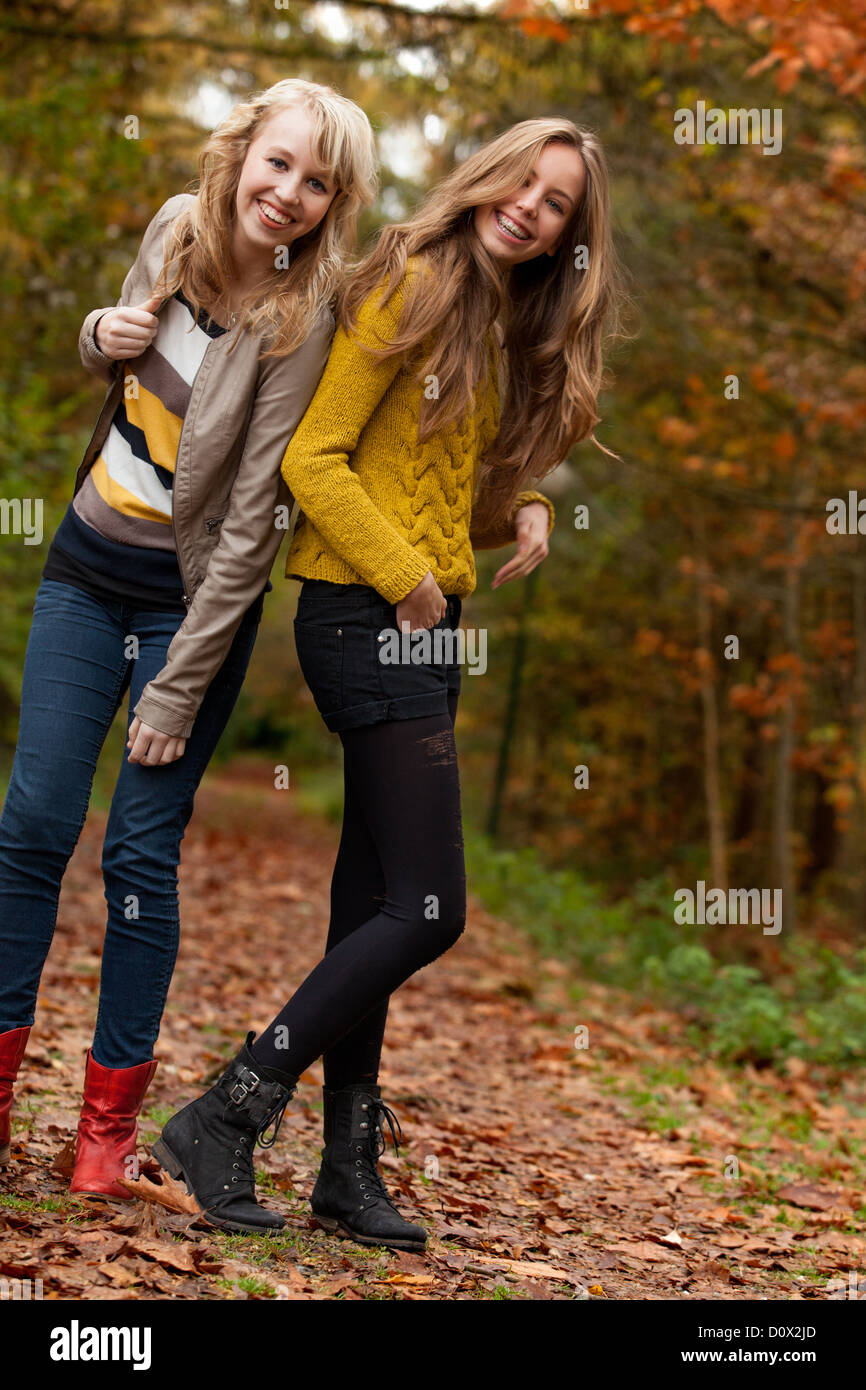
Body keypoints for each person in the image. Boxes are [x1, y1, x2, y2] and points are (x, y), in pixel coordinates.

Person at [153, 115, 621, 1250]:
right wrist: (410, 579)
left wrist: (520, 504)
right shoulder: (411, 277)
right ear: (487, 178)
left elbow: (420, 486)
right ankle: (225, 1110)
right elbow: (313, 459)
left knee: (373, 902)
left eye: (556, 202)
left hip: (418, 618)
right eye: (521, 180)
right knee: (429, 907)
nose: (529, 205)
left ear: (569, 234)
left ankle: (345, 1171)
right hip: (368, 618)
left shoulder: (491, 311)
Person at [0, 78, 377, 1200]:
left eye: (318, 183)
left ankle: (106, 1133)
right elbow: (123, 361)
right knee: (32, 826)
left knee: (136, 859)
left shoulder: (300, 320)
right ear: (241, 150)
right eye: (279, 163)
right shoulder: (173, 225)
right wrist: (94, 332)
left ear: (331, 203)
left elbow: (253, 515)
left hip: (188, 606)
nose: (291, 193)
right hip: (82, 569)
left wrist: (178, 684)